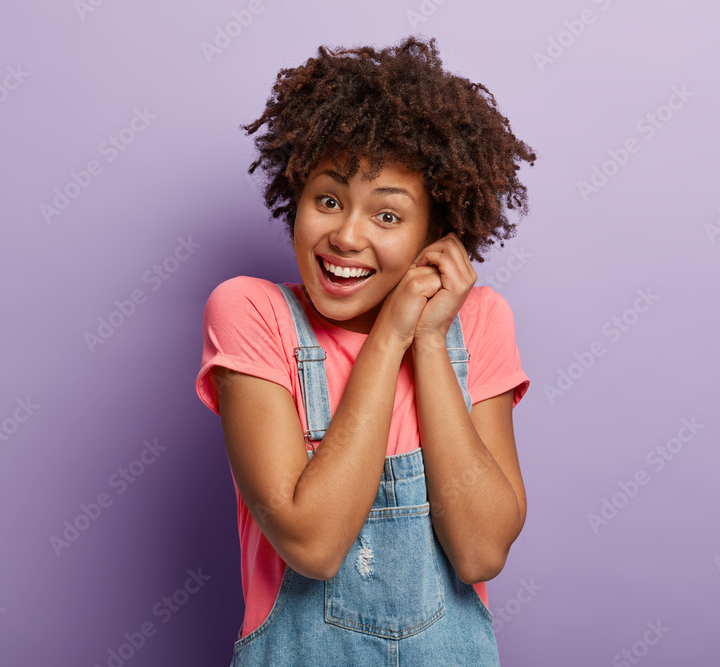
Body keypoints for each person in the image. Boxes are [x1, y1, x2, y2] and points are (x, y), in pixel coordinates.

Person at [196, 34, 537, 666]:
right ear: (295, 196)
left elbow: (481, 551)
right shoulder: (252, 313)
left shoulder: (479, 322)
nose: (346, 236)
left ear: (434, 234)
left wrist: (429, 339)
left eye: (387, 216)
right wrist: (389, 337)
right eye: (328, 200)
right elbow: (315, 544)